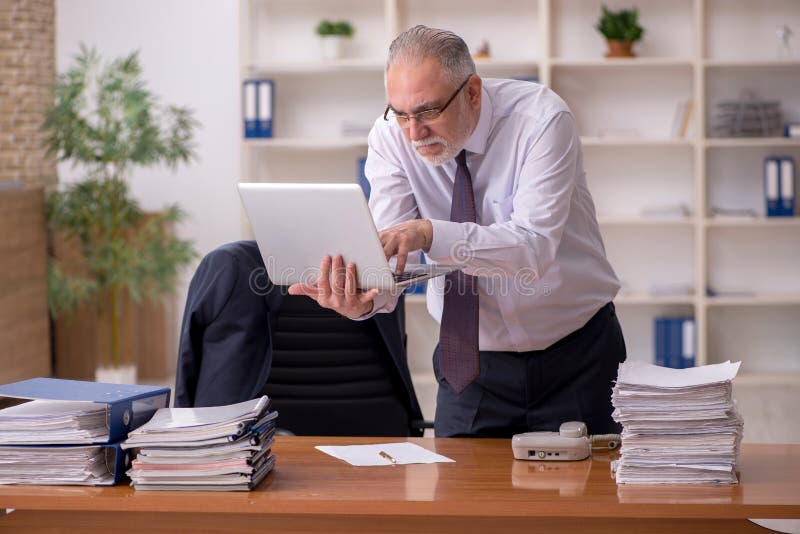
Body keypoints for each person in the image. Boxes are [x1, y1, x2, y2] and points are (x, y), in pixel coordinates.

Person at [289, 25, 625, 438]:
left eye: (428, 111)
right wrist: (361, 300)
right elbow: (393, 263)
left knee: (592, 501)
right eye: (401, 114)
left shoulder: (542, 120)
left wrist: (431, 234)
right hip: (470, 367)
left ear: (473, 93)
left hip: (578, 356)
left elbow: (533, 248)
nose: (414, 133)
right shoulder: (391, 139)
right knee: (457, 500)